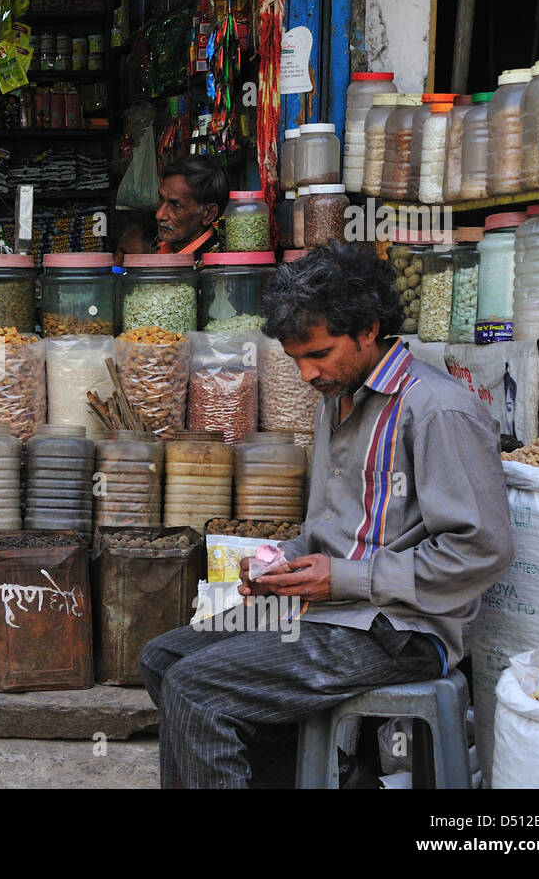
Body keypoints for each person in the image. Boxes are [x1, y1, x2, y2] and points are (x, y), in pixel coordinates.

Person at [139, 242, 514, 788]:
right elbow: (328, 532)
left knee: (197, 689)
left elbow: (483, 550)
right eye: (296, 359)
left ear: (369, 329)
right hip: (328, 611)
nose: (307, 373)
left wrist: (343, 577)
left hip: (398, 629)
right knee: (162, 657)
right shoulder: (334, 401)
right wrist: (281, 565)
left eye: (319, 353)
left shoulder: (437, 410)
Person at [154, 154, 228, 258]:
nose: (159, 215)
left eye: (176, 205)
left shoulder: (214, 268)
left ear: (209, 214)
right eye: (161, 199)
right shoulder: (160, 247)